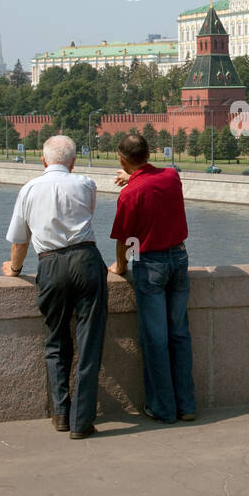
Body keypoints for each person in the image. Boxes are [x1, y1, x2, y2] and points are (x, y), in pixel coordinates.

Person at [3, 134, 106, 440]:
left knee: (56, 339)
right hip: (87, 261)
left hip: (50, 264)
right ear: (73, 162)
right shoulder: (86, 184)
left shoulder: (29, 189)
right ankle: (82, 420)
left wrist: (15, 269)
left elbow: (20, 241)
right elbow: (87, 214)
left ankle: (61, 412)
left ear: (43, 160)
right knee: (90, 342)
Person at [109, 132, 196, 425]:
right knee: (179, 334)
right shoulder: (172, 177)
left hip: (150, 265)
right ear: (149, 154)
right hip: (180, 261)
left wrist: (120, 267)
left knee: (155, 339)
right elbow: (152, 183)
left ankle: (163, 409)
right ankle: (187, 405)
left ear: (122, 159)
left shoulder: (129, 194)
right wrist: (132, 177)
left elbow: (124, 240)